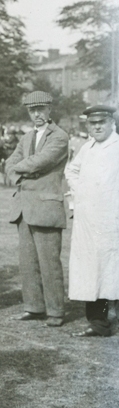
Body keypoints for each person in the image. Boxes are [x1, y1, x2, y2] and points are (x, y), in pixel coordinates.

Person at [4, 91, 69, 326]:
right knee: (28, 262)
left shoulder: (59, 136)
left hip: (46, 206)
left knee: (49, 262)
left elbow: (42, 160)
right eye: (32, 110)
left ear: (50, 109)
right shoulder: (26, 137)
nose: (37, 114)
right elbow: (10, 162)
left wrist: (18, 169)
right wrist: (18, 170)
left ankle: (55, 311)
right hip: (24, 207)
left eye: (41, 109)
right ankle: (33, 307)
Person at [65, 105, 119, 337]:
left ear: (111, 123)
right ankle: (98, 323)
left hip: (112, 222)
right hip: (88, 223)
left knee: (113, 272)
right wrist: (83, 193)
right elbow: (71, 171)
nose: (97, 127)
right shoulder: (87, 148)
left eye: (101, 123)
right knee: (93, 273)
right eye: (92, 123)